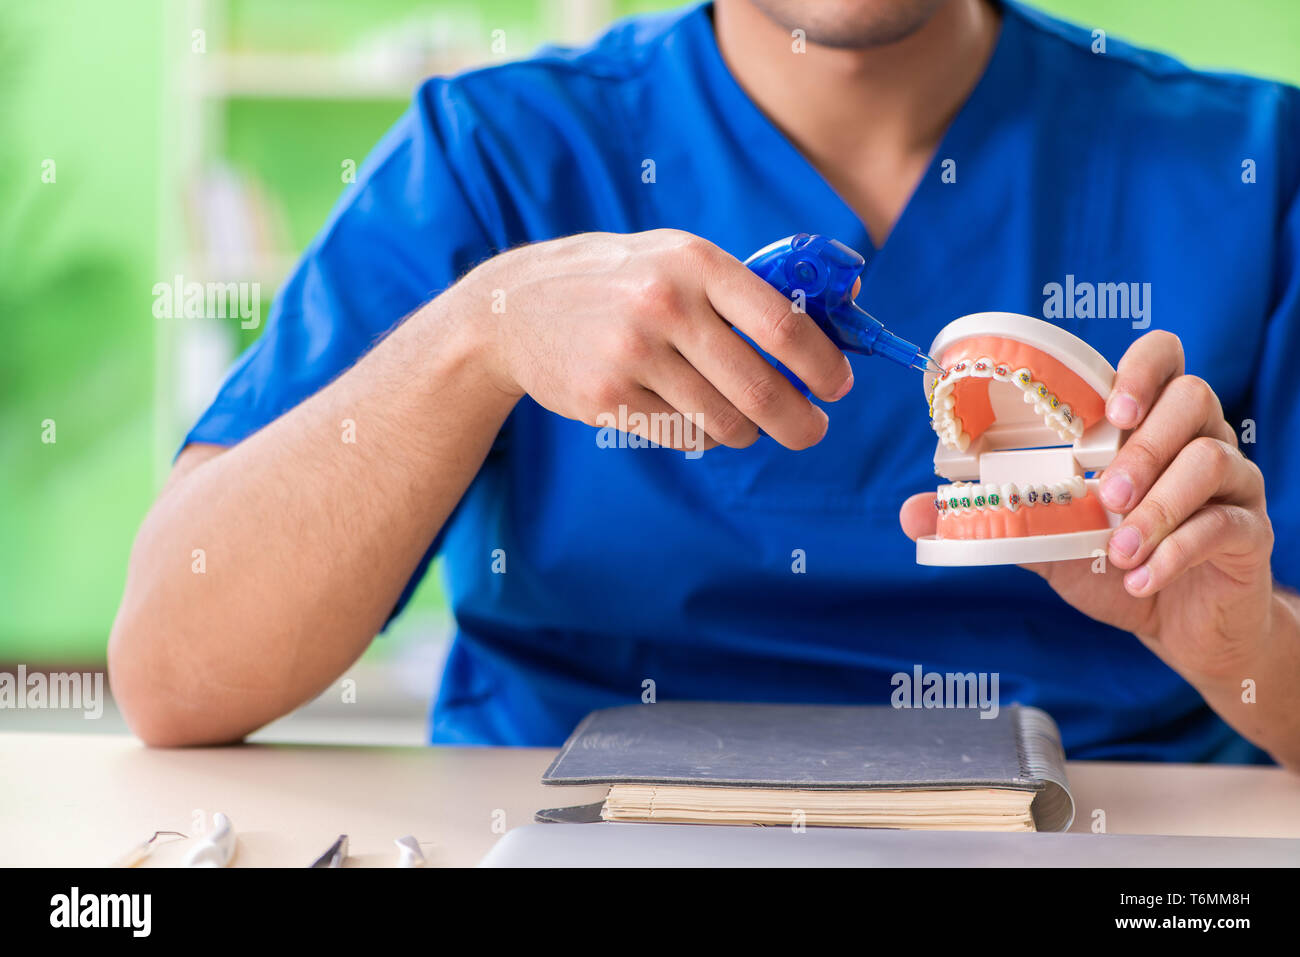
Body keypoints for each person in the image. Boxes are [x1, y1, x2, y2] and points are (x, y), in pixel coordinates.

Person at [108, 0, 1300, 767]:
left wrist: (1232, 638)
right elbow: (170, 673)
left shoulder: (1248, 166)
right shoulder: (497, 158)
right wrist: (479, 336)